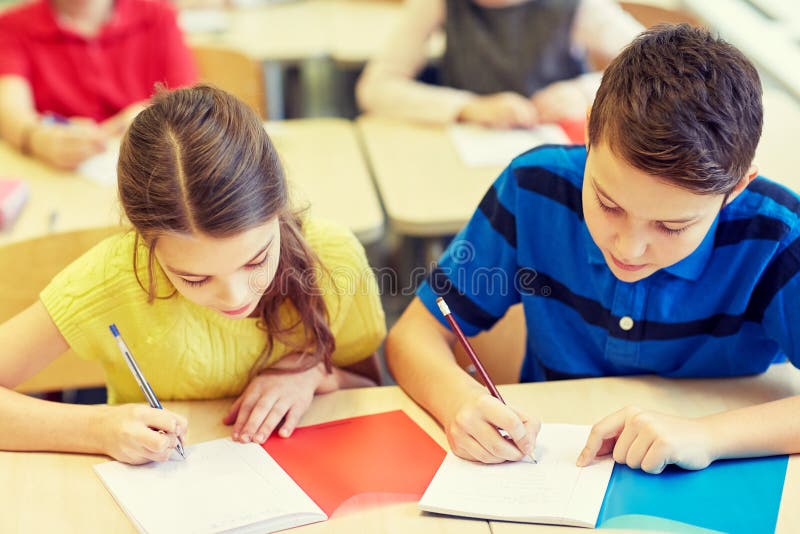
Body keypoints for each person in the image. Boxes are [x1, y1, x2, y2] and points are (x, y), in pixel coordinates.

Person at [385, 23, 800, 474]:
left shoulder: (777, 237)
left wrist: (708, 435)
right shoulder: (534, 190)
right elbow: (415, 333)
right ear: (587, 134)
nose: (630, 247)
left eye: (671, 226)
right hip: (549, 469)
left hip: (720, 473)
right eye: (608, 203)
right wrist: (458, 400)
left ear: (735, 189)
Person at [0, 85, 386, 465]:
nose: (235, 297)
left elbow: (371, 386)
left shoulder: (333, 258)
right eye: (195, 279)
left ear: (277, 205)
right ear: (145, 241)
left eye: (256, 260)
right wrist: (96, 428)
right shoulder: (114, 277)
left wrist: (314, 375)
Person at [356, 0, 642, 129]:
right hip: (468, 156)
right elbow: (376, 88)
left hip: (557, 151)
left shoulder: (580, 6)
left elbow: (651, 64)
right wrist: (467, 108)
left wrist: (581, 93)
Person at [0, 0, 197, 170]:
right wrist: (38, 138)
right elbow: (9, 111)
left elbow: (189, 100)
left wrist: (149, 115)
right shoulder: (12, 26)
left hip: (147, 169)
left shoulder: (159, 16)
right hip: (59, 176)